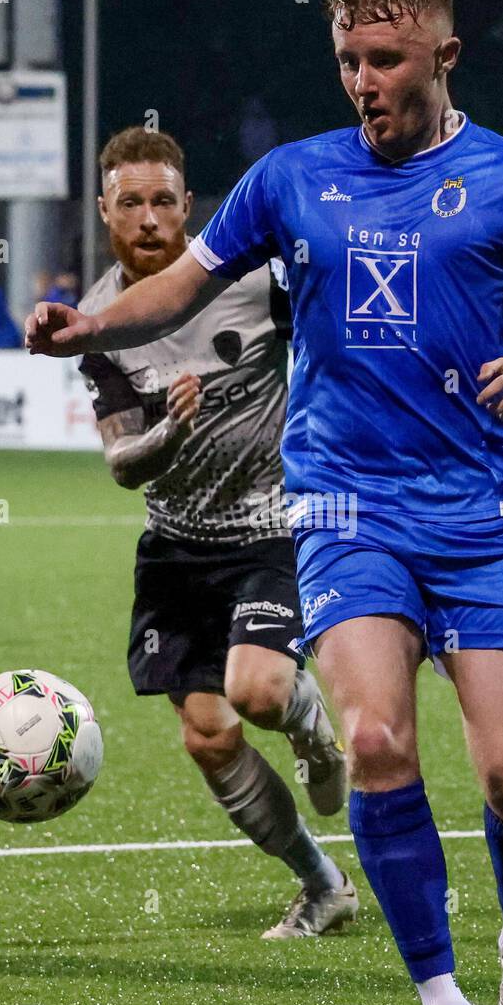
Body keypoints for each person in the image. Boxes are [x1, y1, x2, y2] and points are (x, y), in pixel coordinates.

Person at [27, 0, 503, 1005]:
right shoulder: (290, 177)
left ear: (444, 53)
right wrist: (88, 331)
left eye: (387, 57)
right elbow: (184, 284)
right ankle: (443, 1004)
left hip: (482, 504)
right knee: (369, 739)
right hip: (343, 504)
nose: (363, 80)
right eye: (349, 58)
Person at [76, 126, 354, 938]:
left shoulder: (249, 280)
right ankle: (322, 883)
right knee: (207, 737)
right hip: (176, 544)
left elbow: (333, 348)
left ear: (188, 206)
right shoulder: (99, 319)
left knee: (256, 692)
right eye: (132, 203)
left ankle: (313, 734)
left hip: (271, 524)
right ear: (105, 210)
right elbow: (123, 459)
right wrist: (164, 437)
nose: (150, 219)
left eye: (164, 201)